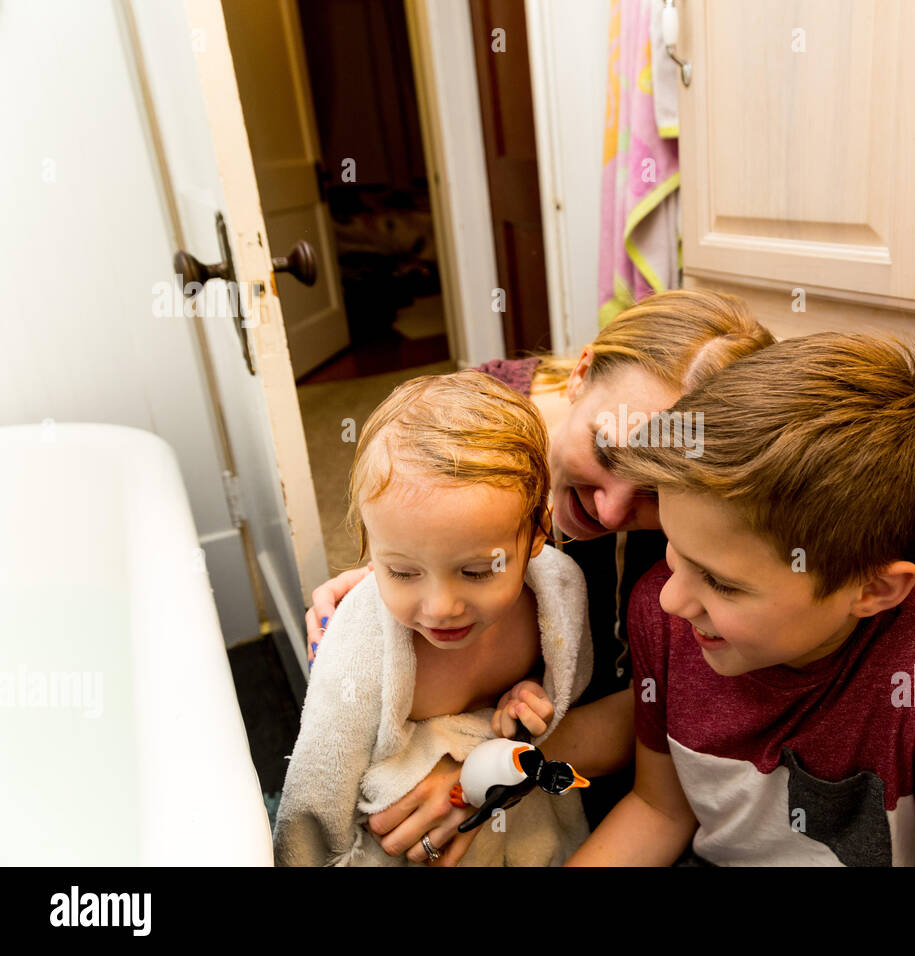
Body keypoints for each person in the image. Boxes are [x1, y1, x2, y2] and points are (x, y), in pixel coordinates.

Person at [303, 290, 776, 864]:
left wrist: (488, 764)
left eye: (655, 489)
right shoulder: (463, 424)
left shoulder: (690, 533)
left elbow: (670, 702)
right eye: (606, 449)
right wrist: (393, 567)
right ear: (581, 373)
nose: (610, 511)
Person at [567, 333, 915, 866]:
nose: (670, 599)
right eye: (674, 551)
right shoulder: (661, 615)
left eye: (723, 583)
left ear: (873, 590)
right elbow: (659, 809)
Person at [275, 371, 595, 865]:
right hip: (396, 837)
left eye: (474, 570)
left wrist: (528, 694)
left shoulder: (557, 594)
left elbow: (571, 680)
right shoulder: (363, 648)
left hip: (515, 822)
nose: (441, 606)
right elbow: (317, 787)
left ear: (537, 535)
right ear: (370, 547)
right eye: (403, 571)